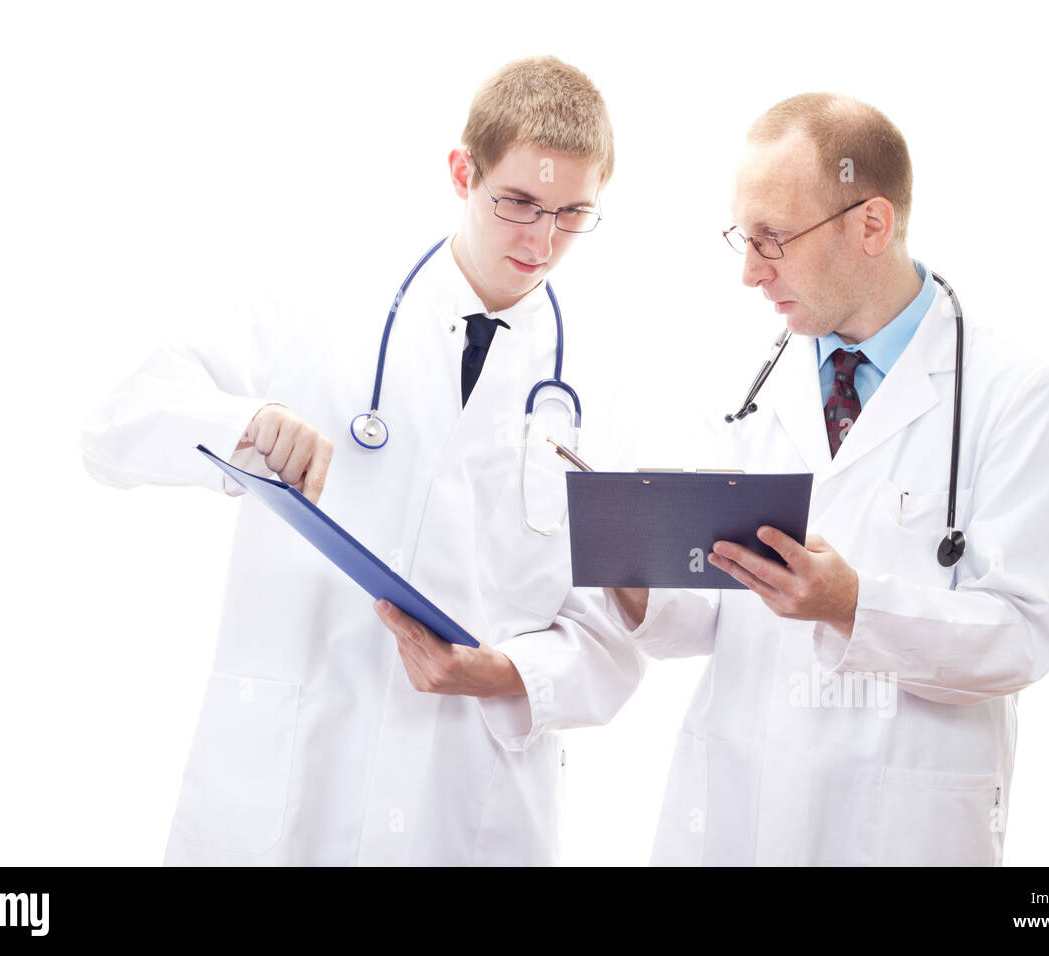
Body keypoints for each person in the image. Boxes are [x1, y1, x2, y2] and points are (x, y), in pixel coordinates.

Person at [80, 56, 644, 866]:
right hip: (293, 774)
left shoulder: (604, 391)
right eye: (518, 202)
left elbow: (616, 633)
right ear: (462, 170)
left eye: (572, 214)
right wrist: (247, 422)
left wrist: (502, 674)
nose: (542, 240)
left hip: (467, 802)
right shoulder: (317, 306)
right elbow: (111, 426)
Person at [608, 93, 1049, 866]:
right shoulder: (742, 385)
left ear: (872, 224)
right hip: (736, 813)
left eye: (774, 239)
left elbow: (1024, 638)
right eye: (742, 237)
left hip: (897, 826)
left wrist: (855, 606)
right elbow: (702, 617)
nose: (749, 273)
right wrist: (630, 571)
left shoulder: (1011, 393)